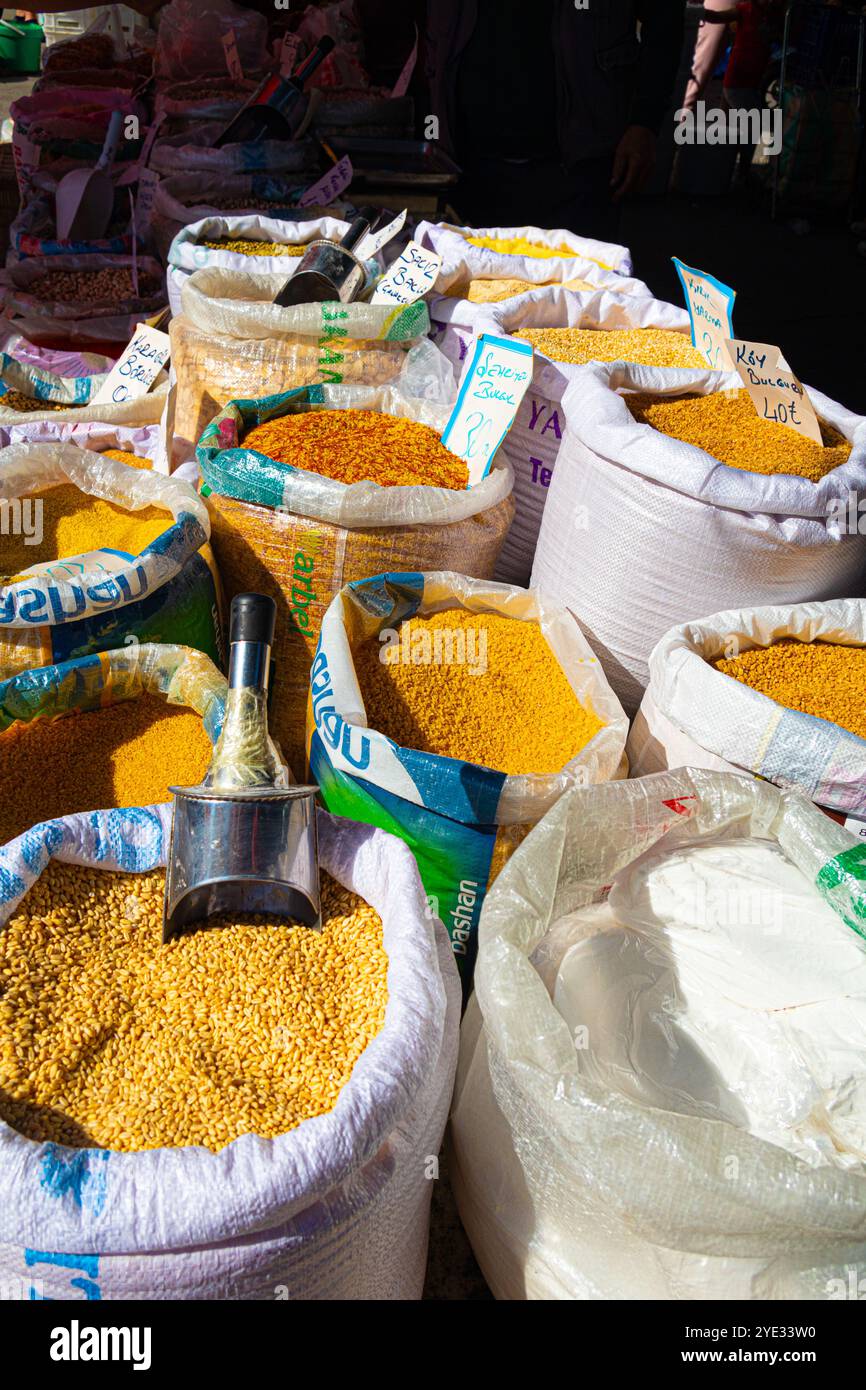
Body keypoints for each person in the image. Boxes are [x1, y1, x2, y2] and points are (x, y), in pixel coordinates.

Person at [425, 0, 686, 240]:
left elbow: (664, 19)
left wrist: (644, 121)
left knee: (579, 286)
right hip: (468, 167)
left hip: (578, 170)